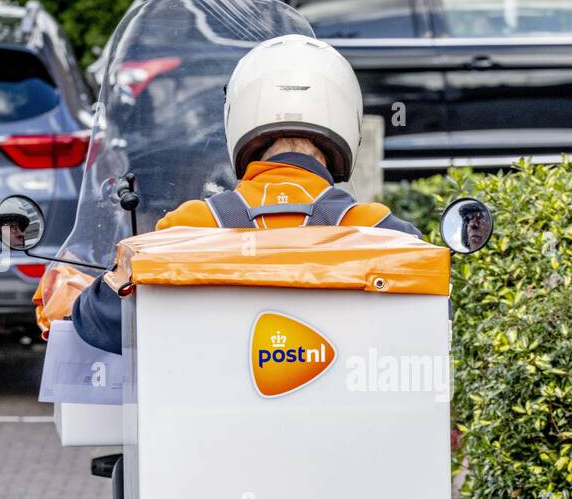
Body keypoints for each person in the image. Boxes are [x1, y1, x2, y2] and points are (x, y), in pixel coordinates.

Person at [71, 34, 422, 355]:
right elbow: (429, 325)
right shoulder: (384, 232)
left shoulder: (188, 228)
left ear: (237, 115)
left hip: (210, 422)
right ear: (348, 117)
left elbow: (99, 324)